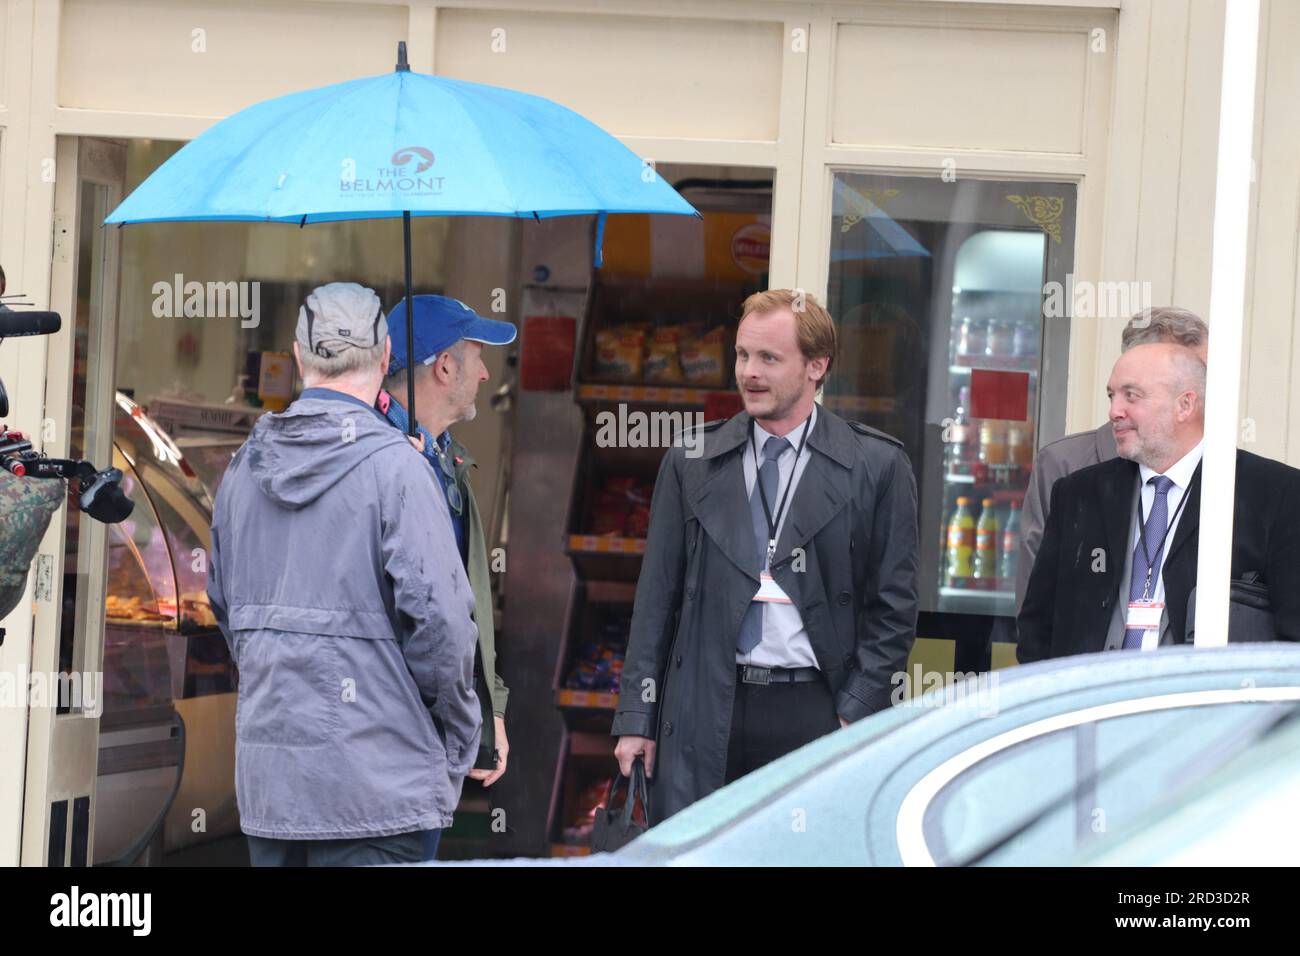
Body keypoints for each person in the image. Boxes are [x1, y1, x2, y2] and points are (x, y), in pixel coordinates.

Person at [612, 289, 919, 824]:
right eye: (742, 355)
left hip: (815, 710)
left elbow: (893, 609)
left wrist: (858, 711)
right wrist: (637, 715)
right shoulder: (692, 459)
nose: (749, 372)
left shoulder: (877, 465)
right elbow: (655, 599)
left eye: (769, 359)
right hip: (705, 703)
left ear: (816, 367)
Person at [206, 282, 481, 866]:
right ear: (385, 359)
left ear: (298, 356)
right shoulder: (400, 470)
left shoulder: (240, 470)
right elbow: (444, 630)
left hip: (272, 787)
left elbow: (227, 614)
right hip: (380, 792)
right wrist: (456, 742)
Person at [1017, 336, 1300, 662]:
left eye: (1131, 395)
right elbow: (1038, 625)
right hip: (1090, 704)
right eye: (1111, 395)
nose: (1114, 411)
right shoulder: (1079, 493)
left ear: (1185, 405)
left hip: (1205, 707)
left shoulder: (1275, 494)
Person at [378, 294, 517, 860]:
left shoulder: (442, 457)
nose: (486, 372)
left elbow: (465, 605)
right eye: (477, 356)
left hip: (427, 739)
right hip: (390, 744)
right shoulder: (377, 457)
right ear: (443, 367)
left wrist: (491, 709)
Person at [1016, 308, 1209, 612]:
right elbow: (1034, 603)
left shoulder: (1225, 474)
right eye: (1185, 370)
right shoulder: (1064, 466)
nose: (1200, 389)